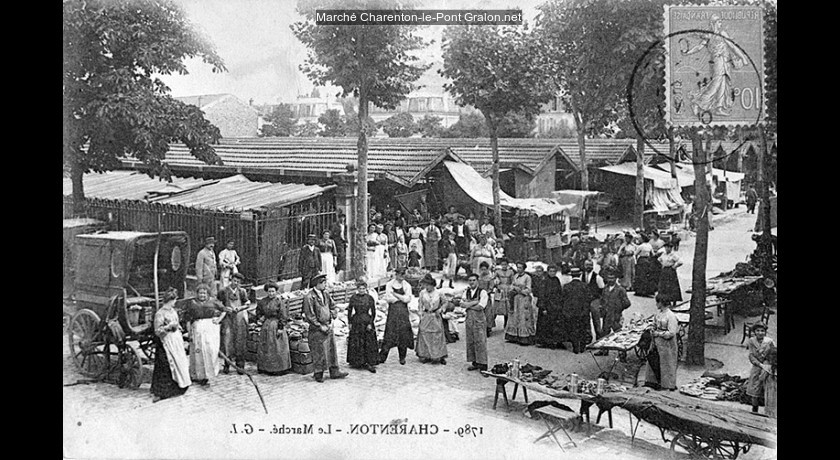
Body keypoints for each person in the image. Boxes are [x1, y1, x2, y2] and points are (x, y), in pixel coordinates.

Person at [682, 13, 750, 118]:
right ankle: (697, 103)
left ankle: (719, 108)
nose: (720, 23)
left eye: (720, 22)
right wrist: (688, 52)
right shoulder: (710, 35)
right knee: (716, 83)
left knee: (723, 83)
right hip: (718, 61)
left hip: (725, 61)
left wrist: (743, 57)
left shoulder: (721, 33)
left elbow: (732, 46)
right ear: (713, 23)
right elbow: (699, 47)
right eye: (719, 22)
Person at [303, 274, 348, 383]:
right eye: (323, 283)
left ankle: (334, 371)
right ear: (318, 284)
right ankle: (318, 373)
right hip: (317, 329)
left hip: (328, 325)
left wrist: (333, 314)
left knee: (331, 349)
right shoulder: (309, 297)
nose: (325, 285)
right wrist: (319, 326)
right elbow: (310, 315)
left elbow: (332, 305)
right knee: (319, 351)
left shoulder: (326, 294)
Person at [151, 288, 190, 402]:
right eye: (174, 300)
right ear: (170, 300)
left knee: (179, 361)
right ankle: (163, 391)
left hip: (175, 341)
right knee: (165, 365)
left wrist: (178, 326)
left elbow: (177, 322)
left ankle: (178, 386)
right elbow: (157, 331)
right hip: (165, 342)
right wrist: (168, 327)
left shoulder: (173, 311)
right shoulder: (160, 313)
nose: (174, 303)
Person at [185, 284, 224, 385]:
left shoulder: (213, 301)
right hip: (197, 327)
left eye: (204, 293)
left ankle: (210, 373)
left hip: (210, 328)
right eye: (200, 293)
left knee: (211, 350)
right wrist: (189, 332)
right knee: (198, 352)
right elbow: (188, 319)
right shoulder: (192, 303)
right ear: (197, 294)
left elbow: (224, 310)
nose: (202, 295)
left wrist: (218, 320)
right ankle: (198, 375)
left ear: (208, 294)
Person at [255, 282, 292, 375]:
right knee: (266, 347)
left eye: (273, 291)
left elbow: (283, 315)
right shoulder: (263, 301)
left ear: (276, 291)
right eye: (269, 291)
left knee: (277, 347)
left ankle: (279, 368)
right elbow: (258, 311)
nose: (271, 293)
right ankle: (265, 367)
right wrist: (260, 318)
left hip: (276, 325)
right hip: (266, 326)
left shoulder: (279, 301)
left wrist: (280, 327)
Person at [379, 268, 414, 365]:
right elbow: (389, 298)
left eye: (404, 274)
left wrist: (396, 295)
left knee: (403, 333)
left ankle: (402, 357)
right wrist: (400, 298)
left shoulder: (407, 285)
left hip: (403, 312)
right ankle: (383, 356)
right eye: (400, 274)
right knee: (390, 332)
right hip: (393, 311)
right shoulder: (389, 284)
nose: (402, 276)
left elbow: (407, 299)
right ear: (396, 274)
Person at [218, 272, 250, 374]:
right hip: (227, 319)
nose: (235, 283)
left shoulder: (242, 291)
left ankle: (240, 366)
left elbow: (247, 303)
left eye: (238, 282)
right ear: (231, 279)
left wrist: (240, 308)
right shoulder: (223, 291)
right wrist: (224, 308)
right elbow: (217, 303)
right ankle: (227, 364)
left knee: (240, 341)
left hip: (239, 319)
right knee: (227, 341)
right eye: (234, 280)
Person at [644, 297, 679, 390]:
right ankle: (653, 381)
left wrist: (658, 333)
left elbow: (672, 332)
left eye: (657, 302)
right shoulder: (658, 313)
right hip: (657, 341)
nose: (656, 305)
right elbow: (654, 324)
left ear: (661, 303)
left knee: (667, 363)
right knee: (653, 359)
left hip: (667, 343)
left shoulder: (670, 316)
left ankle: (667, 384)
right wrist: (652, 328)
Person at [346, 277, 379, 373]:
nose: (361, 290)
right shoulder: (353, 298)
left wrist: (370, 323)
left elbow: (373, 312)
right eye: (360, 289)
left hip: (366, 321)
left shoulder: (370, 298)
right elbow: (349, 310)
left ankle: (370, 362)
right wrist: (350, 322)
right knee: (357, 341)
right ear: (357, 289)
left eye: (363, 289)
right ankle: (358, 362)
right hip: (356, 321)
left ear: (366, 289)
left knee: (368, 341)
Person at [460, 273, 489, 374]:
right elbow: (462, 304)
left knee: (480, 341)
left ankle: (483, 364)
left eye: (474, 280)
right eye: (470, 280)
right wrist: (473, 302)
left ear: (478, 281)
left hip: (479, 319)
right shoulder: (466, 291)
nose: (472, 282)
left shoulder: (483, 292)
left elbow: (481, 306)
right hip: (469, 319)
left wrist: (469, 304)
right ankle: (475, 362)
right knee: (471, 340)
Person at [416, 273, 448, 364]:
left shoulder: (439, 293)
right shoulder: (422, 293)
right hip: (426, 315)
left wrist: (441, 309)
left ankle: (438, 355)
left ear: (433, 285)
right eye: (425, 285)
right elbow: (420, 305)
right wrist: (420, 314)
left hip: (435, 316)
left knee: (437, 335)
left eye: (428, 285)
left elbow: (445, 302)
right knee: (424, 334)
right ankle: (426, 355)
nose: (427, 287)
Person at [562, 268, 592, 354]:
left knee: (573, 329)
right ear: (580, 275)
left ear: (571, 276)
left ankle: (575, 347)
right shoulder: (585, 286)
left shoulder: (566, 286)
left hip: (571, 312)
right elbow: (588, 298)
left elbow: (563, 300)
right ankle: (582, 347)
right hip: (583, 312)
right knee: (583, 328)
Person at [599, 269, 632, 348]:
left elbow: (627, 303)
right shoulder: (605, 289)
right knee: (605, 334)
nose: (610, 280)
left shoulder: (621, 290)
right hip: (606, 316)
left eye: (612, 278)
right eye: (609, 278)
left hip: (616, 316)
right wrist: (602, 308)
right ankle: (604, 350)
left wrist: (619, 308)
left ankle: (622, 354)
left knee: (619, 335)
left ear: (616, 278)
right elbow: (602, 300)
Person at [746, 323, 775, 413]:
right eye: (757, 331)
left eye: (762, 331)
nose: (760, 333)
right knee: (754, 388)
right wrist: (759, 364)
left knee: (770, 389)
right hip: (757, 367)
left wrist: (768, 364)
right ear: (754, 332)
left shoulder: (769, 341)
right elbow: (751, 355)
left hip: (767, 367)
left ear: (765, 332)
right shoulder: (751, 341)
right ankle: (755, 409)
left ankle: (769, 411)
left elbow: (774, 354)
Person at [505, 262, 535, 345]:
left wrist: (521, 290)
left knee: (523, 317)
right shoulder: (515, 276)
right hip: (515, 299)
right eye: (517, 267)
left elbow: (529, 289)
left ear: (524, 268)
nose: (518, 269)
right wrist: (512, 288)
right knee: (515, 316)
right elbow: (511, 285)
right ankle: (514, 336)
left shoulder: (527, 277)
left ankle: (525, 337)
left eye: (520, 268)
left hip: (523, 299)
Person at [535, 265, 564, 349]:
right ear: (547, 272)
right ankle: (546, 342)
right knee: (545, 324)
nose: (552, 273)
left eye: (554, 271)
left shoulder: (556, 280)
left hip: (555, 305)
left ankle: (556, 341)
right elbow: (542, 295)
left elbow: (559, 292)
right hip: (546, 305)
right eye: (550, 271)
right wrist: (543, 308)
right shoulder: (544, 281)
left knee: (556, 324)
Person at [582, 259, 605, 340]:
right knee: (585, 318)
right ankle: (588, 336)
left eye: (590, 265)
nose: (588, 267)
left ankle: (599, 337)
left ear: (593, 266)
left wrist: (601, 302)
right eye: (587, 265)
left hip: (595, 299)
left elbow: (602, 290)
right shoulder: (582, 276)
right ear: (584, 266)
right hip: (585, 300)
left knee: (596, 318)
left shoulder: (597, 277)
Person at [493, 258, 516, 328]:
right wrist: (496, 283)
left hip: (508, 289)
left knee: (507, 308)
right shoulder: (497, 272)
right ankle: (490, 323)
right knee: (496, 307)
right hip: (500, 289)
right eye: (502, 264)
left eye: (505, 264)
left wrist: (511, 287)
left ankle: (506, 324)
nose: (504, 266)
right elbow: (494, 279)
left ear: (507, 265)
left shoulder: (511, 272)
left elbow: (513, 281)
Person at [476, 261, 497, 336]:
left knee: (487, 313)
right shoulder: (479, 277)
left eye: (485, 269)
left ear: (488, 269)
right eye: (482, 269)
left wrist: (485, 293)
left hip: (486, 296)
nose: (483, 271)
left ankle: (488, 328)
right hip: (479, 296)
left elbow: (491, 288)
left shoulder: (490, 278)